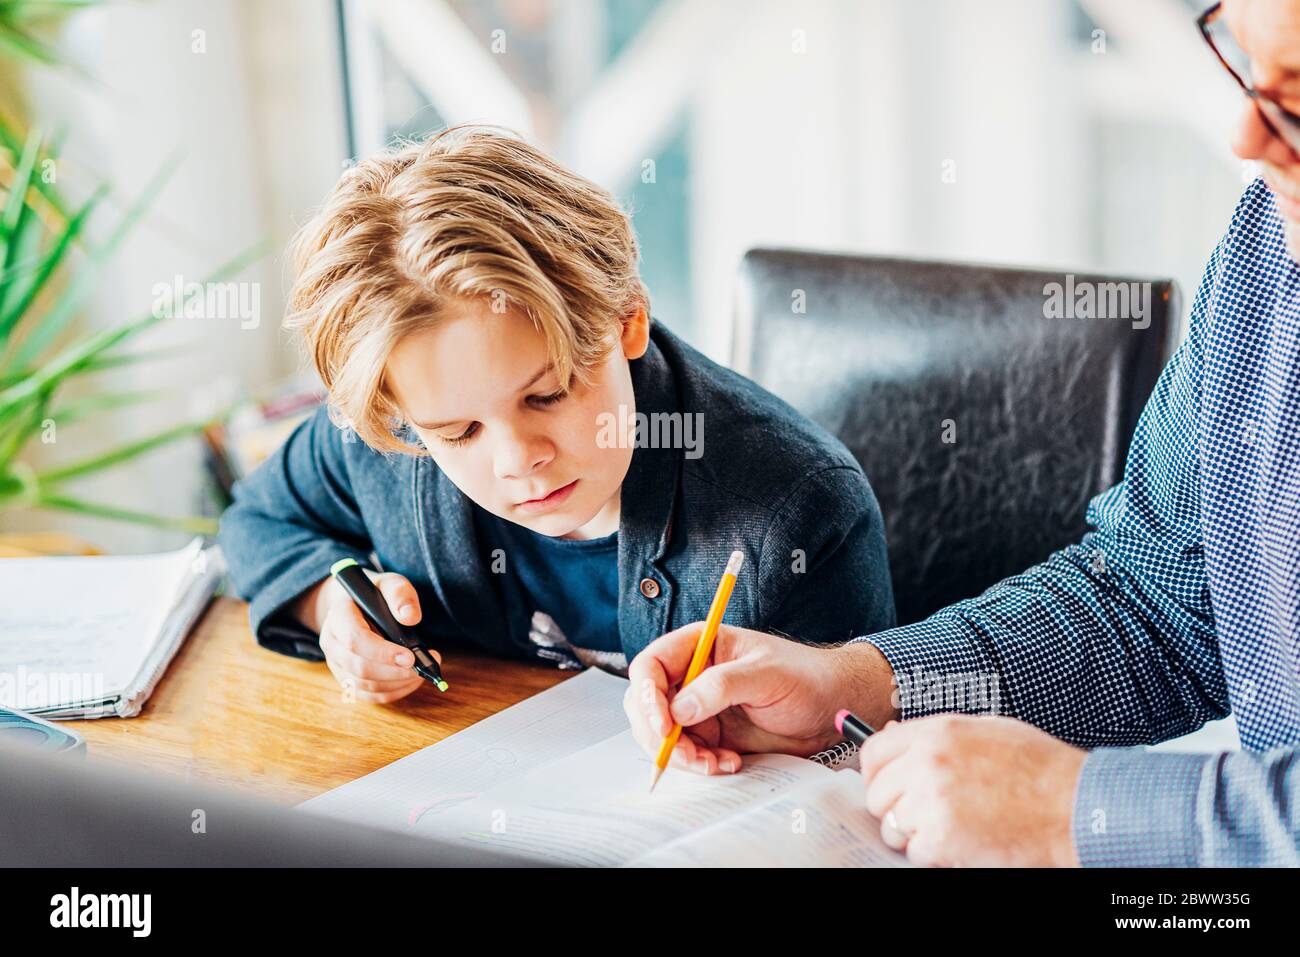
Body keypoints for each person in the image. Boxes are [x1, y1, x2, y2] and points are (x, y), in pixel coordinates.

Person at [624, 0, 1300, 866]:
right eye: (1248, 58)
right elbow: (1150, 608)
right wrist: (863, 682)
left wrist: (1077, 812)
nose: (1247, 133)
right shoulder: (1263, 254)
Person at [217, 126, 895, 703]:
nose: (519, 460)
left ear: (627, 317)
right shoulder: (390, 432)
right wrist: (332, 603)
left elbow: (850, 761)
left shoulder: (801, 513)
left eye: (547, 394)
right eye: (459, 432)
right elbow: (256, 520)